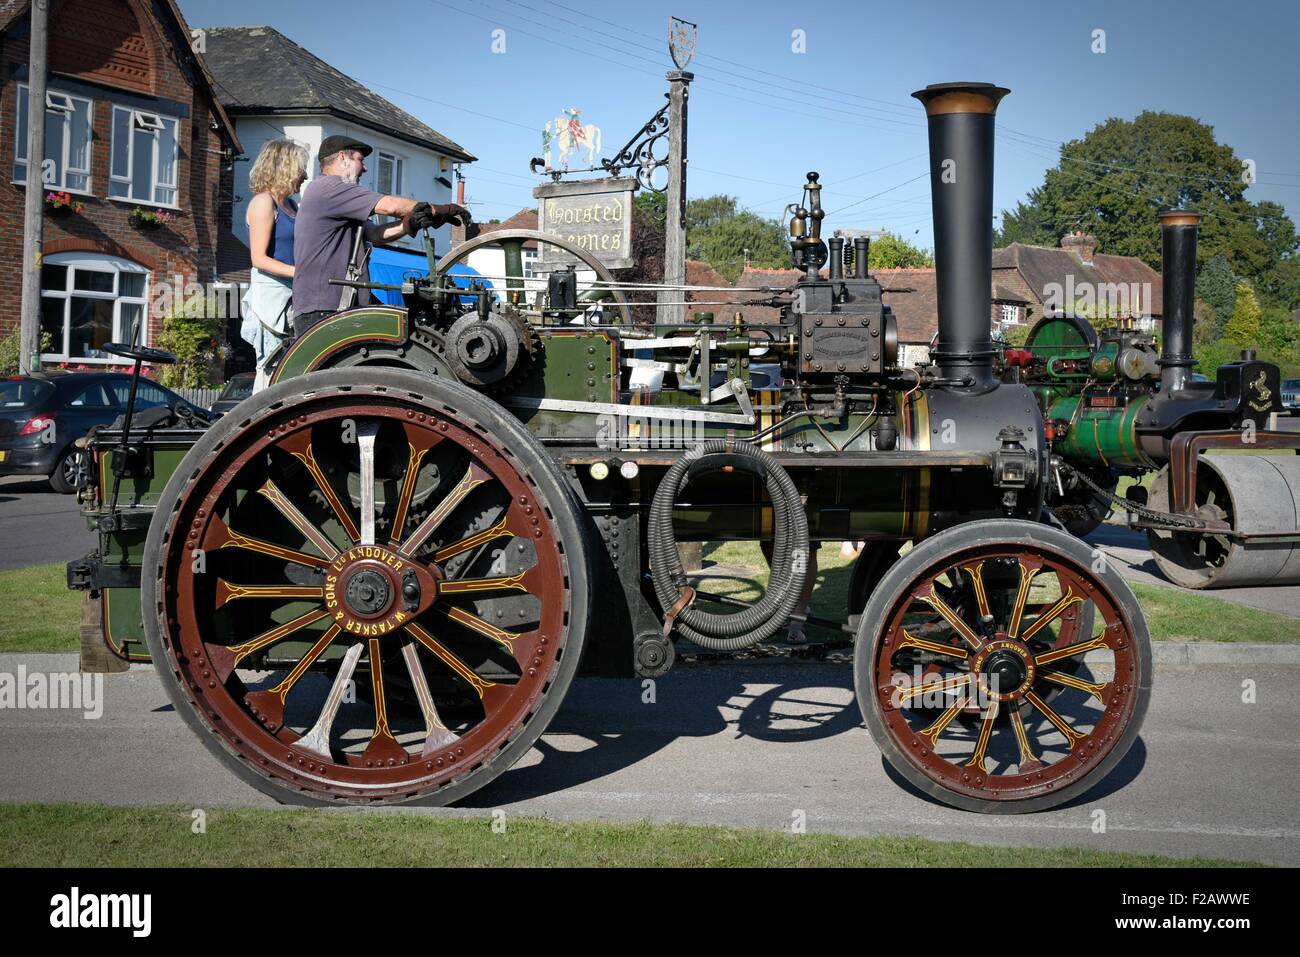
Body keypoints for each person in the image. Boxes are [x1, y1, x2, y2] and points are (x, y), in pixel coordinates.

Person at [291, 135, 471, 338]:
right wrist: (439, 209)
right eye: (360, 160)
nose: (365, 168)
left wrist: (410, 223)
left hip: (334, 306)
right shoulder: (330, 187)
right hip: (323, 307)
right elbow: (390, 206)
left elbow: (376, 234)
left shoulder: (335, 198)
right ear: (343, 158)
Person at [239, 139, 308, 390]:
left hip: (294, 294)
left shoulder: (292, 205)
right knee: (272, 369)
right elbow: (258, 259)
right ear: (285, 167)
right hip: (273, 300)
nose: (305, 175)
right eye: (301, 167)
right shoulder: (263, 202)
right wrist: (303, 273)